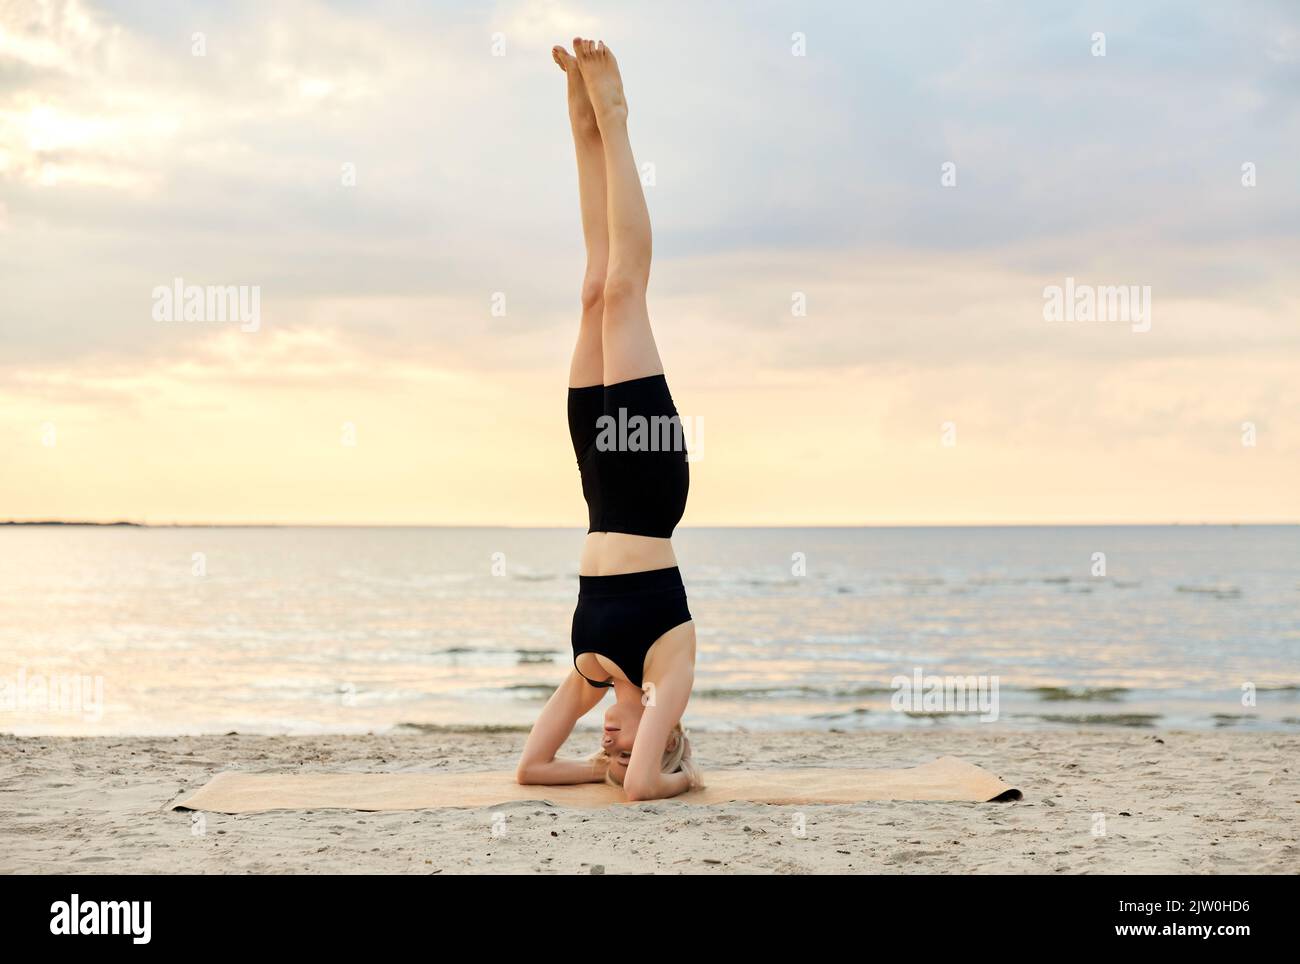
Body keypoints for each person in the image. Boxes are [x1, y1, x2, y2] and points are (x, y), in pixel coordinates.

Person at [515, 38, 703, 802]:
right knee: (626, 292)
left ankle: (581, 119)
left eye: (610, 751)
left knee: (594, 292)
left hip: (598, 482)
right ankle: (617, 118)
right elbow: (642, 792)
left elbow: (530, 770)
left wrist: (595, 770)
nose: (612, 747)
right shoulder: (669, 672)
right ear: (662, 746)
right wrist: (674, 776)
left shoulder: (591, 671)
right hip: (651, 484)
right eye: (627, 750)